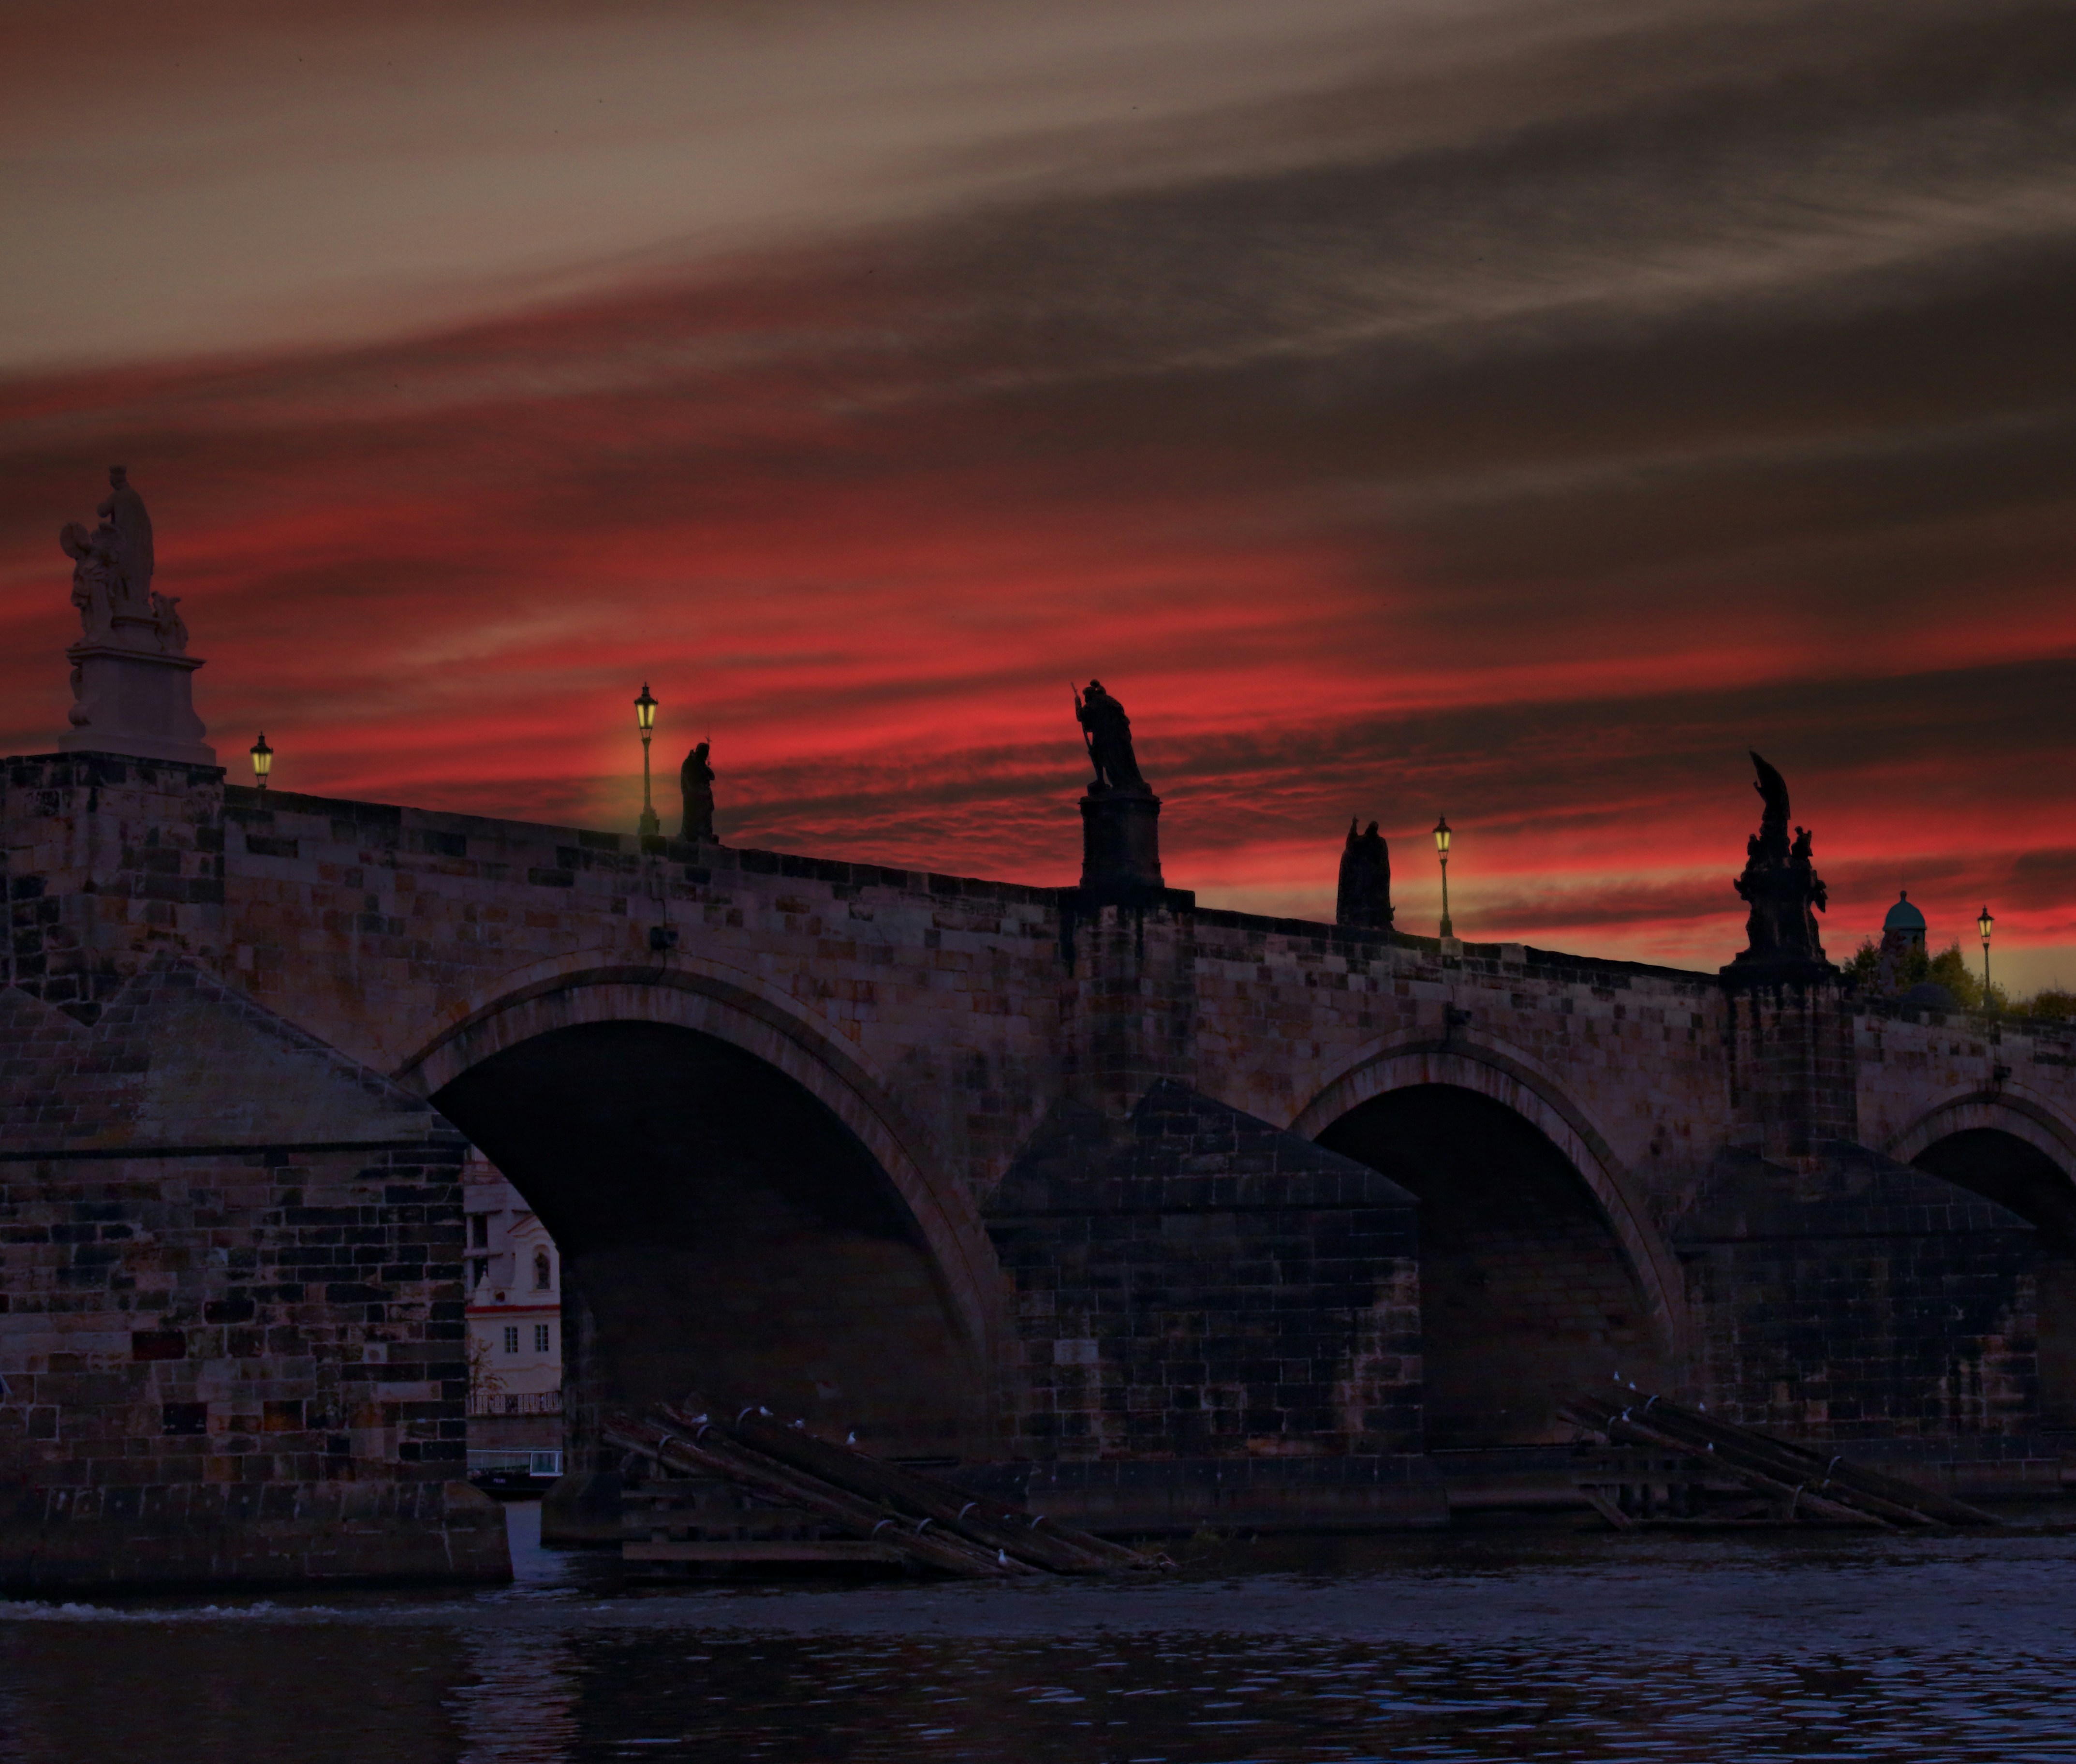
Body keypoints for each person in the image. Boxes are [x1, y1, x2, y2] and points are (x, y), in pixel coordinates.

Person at [1075, 679, 1147, 793]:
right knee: (1119, 758)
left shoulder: (1095, 703)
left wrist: (1077, 703)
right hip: (1117, 736)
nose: (1086, 701)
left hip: (1107, 737)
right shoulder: (1110, 701)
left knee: (1099, 755)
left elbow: (1081, 717)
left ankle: (1103, 780)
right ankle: (1110, 781)